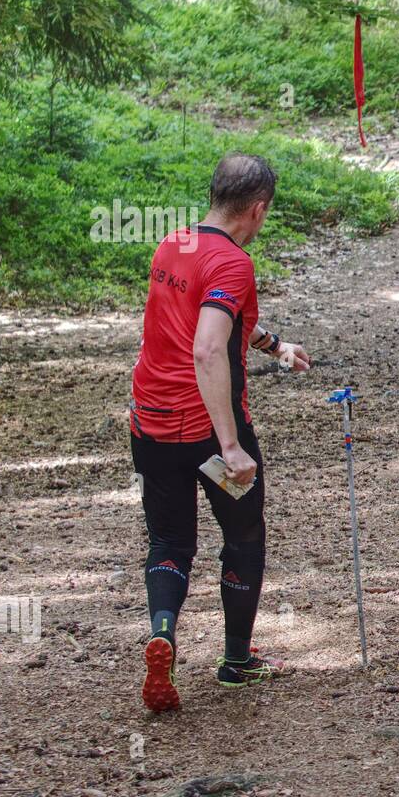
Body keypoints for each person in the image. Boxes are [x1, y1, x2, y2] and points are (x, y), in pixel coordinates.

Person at [130, 152, 311, 712]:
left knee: (171, 541)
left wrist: (276, 348)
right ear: (257, 210)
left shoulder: (174, 243)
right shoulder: (233, 263)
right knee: (244, 536)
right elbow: (208, 345)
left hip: (150, 423)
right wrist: (230, 445)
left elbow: (218, 320)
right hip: (207, 436)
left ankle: (163, 631)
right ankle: (236, 661)